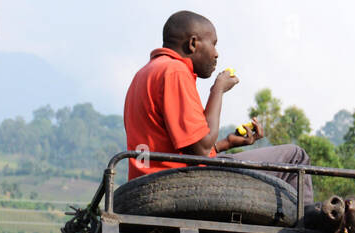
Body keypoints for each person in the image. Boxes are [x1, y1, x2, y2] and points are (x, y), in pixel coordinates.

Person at [123, 10, 313, 205]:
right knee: (295, 157)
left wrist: (227, 143)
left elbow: (188, 148)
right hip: (178, 183)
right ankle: (305, 229)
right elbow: (202, 151)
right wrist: (218, 89)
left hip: (148, 181)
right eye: (213, 44)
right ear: (193, 43)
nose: (216, 54)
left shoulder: (145, 73)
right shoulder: (175, 71)